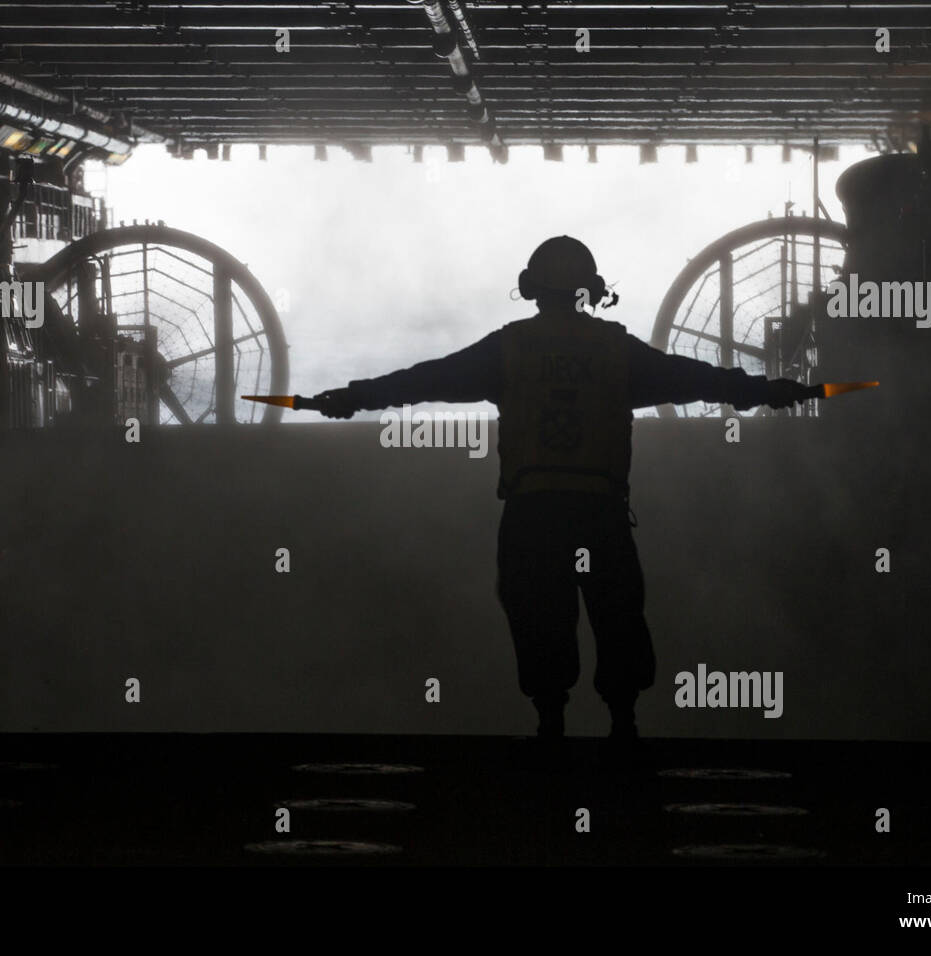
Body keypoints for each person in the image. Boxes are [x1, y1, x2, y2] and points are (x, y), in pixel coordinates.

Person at [313, 236, 812, 740]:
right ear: (591, 290)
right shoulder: (617, 351)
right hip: (601, 513)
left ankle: (551, 724)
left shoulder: (508, 349)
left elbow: (424, 380)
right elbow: (702, 379)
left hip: (534, 513)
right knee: (618, 619)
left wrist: (354, 397)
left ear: (531, 289)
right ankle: (623, 726)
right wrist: (768, 391)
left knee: (537, 618)